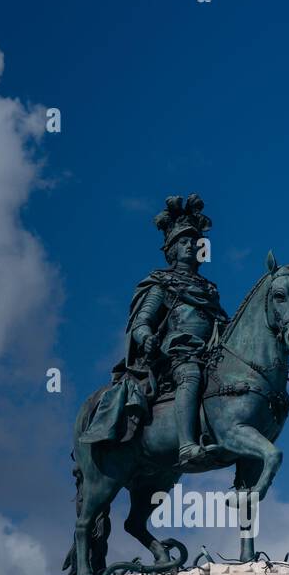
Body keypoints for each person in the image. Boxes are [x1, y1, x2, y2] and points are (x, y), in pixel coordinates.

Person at [80, 195, 229, 464]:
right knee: (190, 374)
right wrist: (146, 337)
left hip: (209, 352)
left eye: (194, 242)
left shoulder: (209, 289)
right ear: (172, 248)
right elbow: (141, 322)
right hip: (176, 354)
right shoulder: (161, 284)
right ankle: (186, 445)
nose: (190, 246)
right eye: (183, 242)